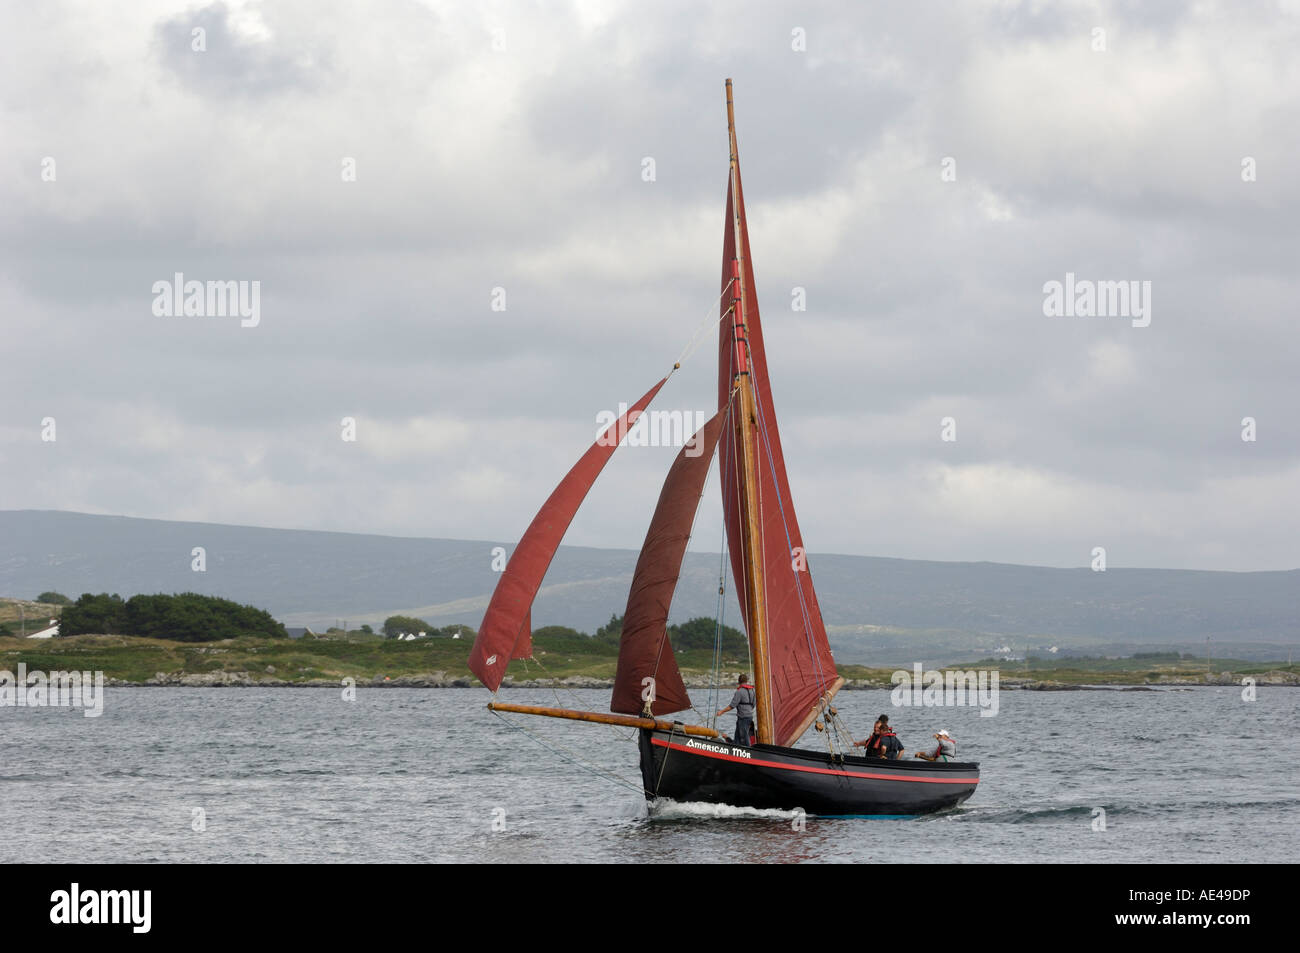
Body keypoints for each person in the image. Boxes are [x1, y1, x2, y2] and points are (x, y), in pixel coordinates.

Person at [717, 674, 756, 745]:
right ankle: (735, 746)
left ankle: (748, 750)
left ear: (739, 681)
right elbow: (753, 704)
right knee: (737, 735)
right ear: (746, 681)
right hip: (749, 716)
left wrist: (721, 712)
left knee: (744, 735)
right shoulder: (752, 690)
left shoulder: (739, 691)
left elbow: (732, 705)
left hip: (743, 717)